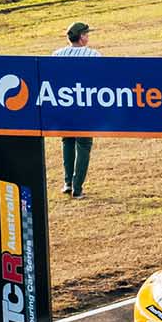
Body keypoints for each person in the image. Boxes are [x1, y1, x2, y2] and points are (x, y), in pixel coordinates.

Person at [53, 20, 100, 196]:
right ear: (81, 37)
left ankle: (67, 183)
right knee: (84, 144)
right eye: (87, 34)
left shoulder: (57, 54)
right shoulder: (94, 55)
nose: (88, 37)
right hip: (85, 106)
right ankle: (77, 187)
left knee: (67, 141)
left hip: (64, 105)